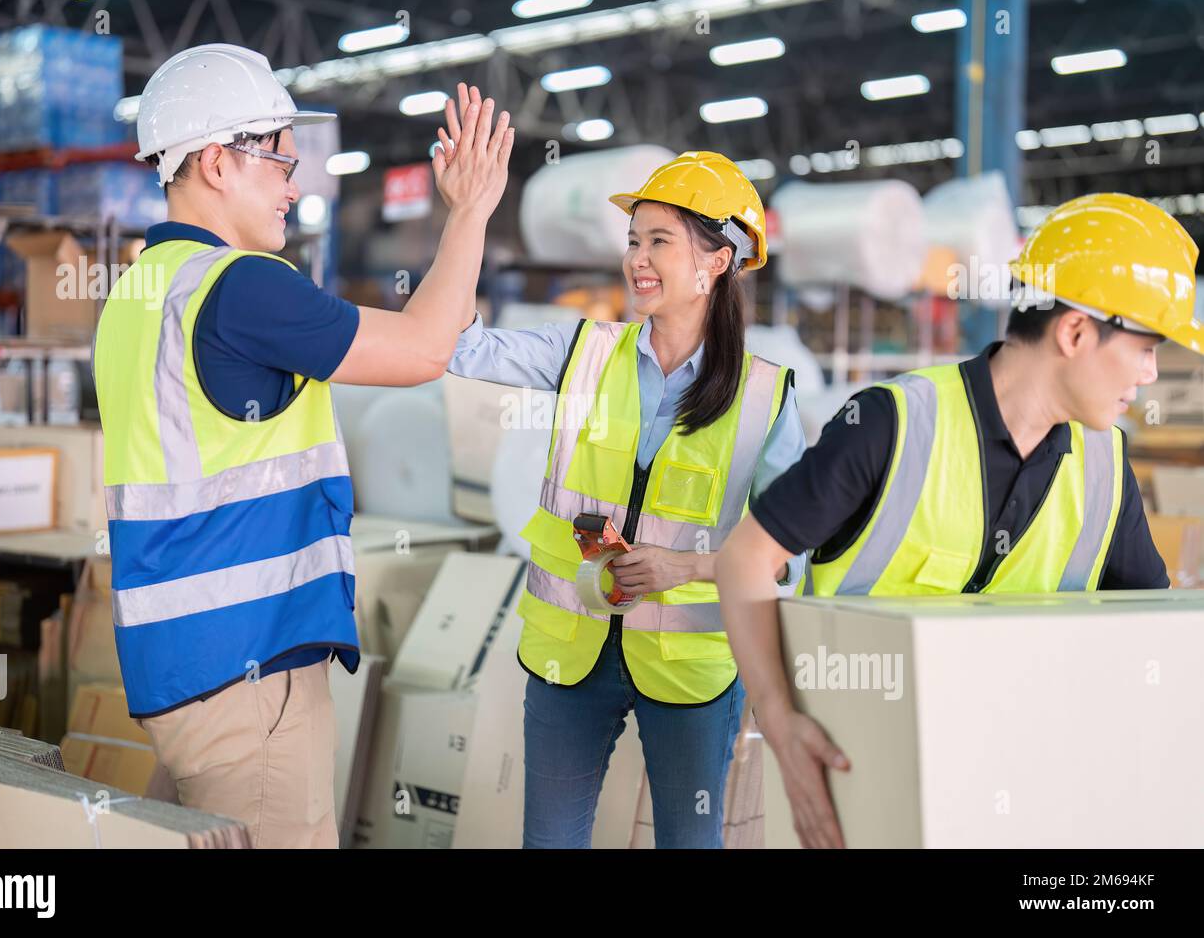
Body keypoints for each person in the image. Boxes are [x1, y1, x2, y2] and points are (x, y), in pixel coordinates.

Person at [93, 45, 512, 847]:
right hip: (249, 673)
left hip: (175, 667)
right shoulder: (243, 285)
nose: (295, 180)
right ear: (217, 162)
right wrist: (470, 210)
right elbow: (426, 350)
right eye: (277, 155)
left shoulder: (141, 290)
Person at [715, 192, 1200, 848]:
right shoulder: (893, 422)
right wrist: (777, 716)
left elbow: (1146, 636)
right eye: (1146, 348)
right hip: (864, 786)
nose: (1149, 374)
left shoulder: (1106, 465)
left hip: (1016, 796)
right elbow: (746, 557)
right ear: (1076, 331)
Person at [440, 138, 808, 847]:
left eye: (660, 241)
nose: (637, 257)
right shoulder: (582, 352)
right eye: (634, 239)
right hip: (569, 653)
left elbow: (790, 551)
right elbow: (458, 345)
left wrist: (685, 567)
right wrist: (469, 214)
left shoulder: (766, 396)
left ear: (717, 260)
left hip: (691, 672)